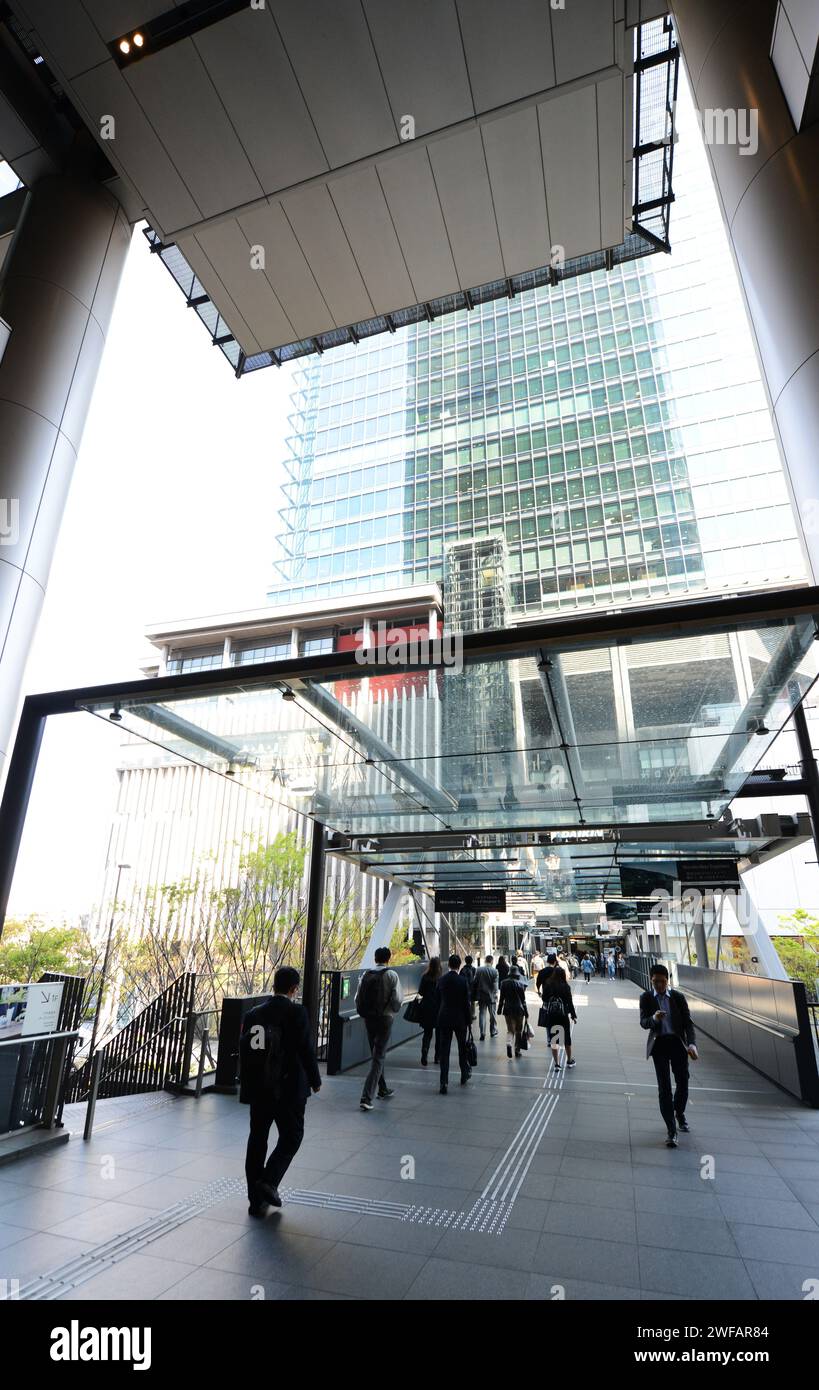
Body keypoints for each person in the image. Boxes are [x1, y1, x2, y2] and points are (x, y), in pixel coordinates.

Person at [240, 965, 322, 1217]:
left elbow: (247, 1051)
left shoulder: (254, 1013)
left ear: (274, 985)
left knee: (257, 1140)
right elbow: (306, 1050)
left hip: (260, 1088)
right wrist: (315, 1079)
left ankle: (256, 1200)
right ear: (294, 988)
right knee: (292, 1135)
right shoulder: (297, 1013)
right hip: (289, 1088)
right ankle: (269, 1181)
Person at [639, 964, 698, 1148]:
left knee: (683, 1083)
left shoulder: (678, 998)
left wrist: (692, 1044)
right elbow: (643, 1022)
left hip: (678, 1044)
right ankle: (671, 1131)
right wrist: (654, 1019)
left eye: (662, 982)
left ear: (668, 981)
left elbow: (688, 1023)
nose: (659, 985)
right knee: (664, 1087)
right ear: (651, 980)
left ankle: (679, 1112)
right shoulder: (647, 998)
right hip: (660, 1046)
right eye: (655, 982)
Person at [356, 945, 403, 1112]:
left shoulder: (366, 975)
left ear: (375, 958)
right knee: (378, 1057)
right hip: (385, 1018)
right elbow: (397, 1000)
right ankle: (366, 1097)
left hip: (368, 1018)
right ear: (388, 959)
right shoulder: (391, 975)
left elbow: (357, 998)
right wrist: (391, 1010)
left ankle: (382, 1088)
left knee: (375, 1054)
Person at [436, 955, 472, 1094]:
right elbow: (466, 1003)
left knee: (444, 1051)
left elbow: (438, 1000)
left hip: (444, 1018)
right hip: (460, 1019)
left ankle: (443, 1082)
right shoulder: (462, 981)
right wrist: (468, 1021)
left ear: (449, 965)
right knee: (462, 1048)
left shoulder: (442, 980)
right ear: (459, 965)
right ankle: (464, 1074)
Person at [539, 964, 578, 1072]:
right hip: (563, 1015)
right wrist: (573, 1016)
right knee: (566, 1039)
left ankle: (557, 1064)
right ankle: (569, 1061)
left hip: (551, 1015)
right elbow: (570, 1002)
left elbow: (544, 999)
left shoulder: (548, 985)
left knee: (554, 1040)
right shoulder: (566, 986)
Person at [499, 965, 528, 1059]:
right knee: (518, 1031)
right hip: (519, 1009)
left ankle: (508, 1044)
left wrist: (499, 1009)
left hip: (507, 1009)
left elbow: (501, 998)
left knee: (510, 1030)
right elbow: (523, 1000)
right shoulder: (520, 984)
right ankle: (517, 1050)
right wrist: (526, 1011)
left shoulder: (503, 983)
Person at [418, 956, 442, 1066]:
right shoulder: (440, 978)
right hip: (438, 1008)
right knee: (439, 1034)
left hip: (426, 1007)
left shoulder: (424, 977)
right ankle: (437, 1056)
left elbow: (421, 992)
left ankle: (425, 1052)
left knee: (427, 1033)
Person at [475, 954, 499, 1040]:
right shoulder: (495, 971)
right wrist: (496, 995)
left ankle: (482, 1033)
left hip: (481, 996)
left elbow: (475, 982)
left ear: (485, 960)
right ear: (492, 961)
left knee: (482, 1014)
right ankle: (493, 1032)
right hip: (491, 996)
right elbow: (495, 986)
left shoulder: (479, 970)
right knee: (492, 1015)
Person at [462, 954, 478, 1021]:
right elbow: (475, 978)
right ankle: (472, 1015)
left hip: (465, 987)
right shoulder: (474, 969)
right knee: (472, 1002)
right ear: (471, 961)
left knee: (466, 1001)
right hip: (472, 987)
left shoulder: (463, 969)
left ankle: (466, 1014)